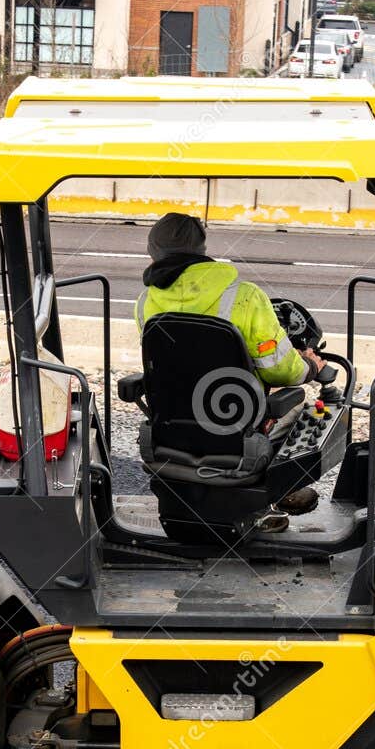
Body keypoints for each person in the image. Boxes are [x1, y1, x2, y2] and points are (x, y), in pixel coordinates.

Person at [135, 211, 325, 520]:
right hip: (235, 435)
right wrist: (309, 366)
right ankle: (276, 491)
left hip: (171, 434)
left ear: (152, 252)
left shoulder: (145, 301)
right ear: (202, 248)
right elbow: (281, 370)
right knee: (306, 404)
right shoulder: (246, 297)